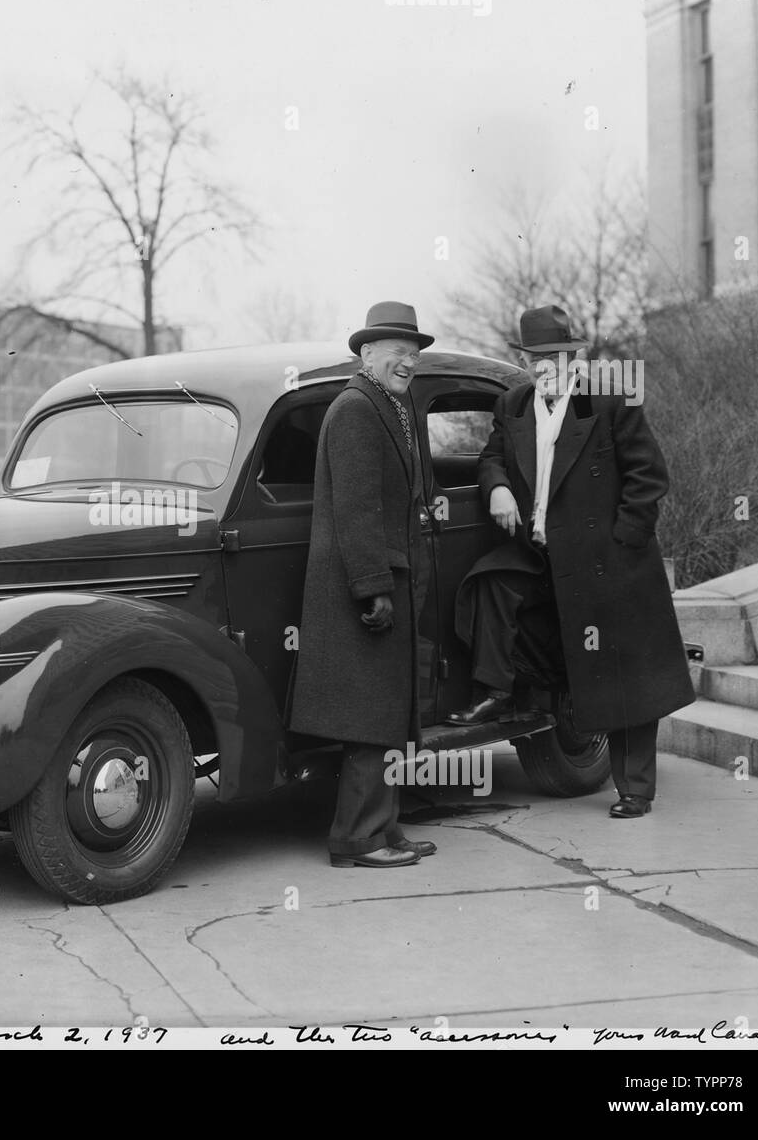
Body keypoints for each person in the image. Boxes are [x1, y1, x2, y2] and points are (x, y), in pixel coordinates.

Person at [448, 305, 695, 818]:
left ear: (573, 358)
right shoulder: (513, 405)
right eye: (534, 360)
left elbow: (648, 477)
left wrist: (623, 541)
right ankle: (495, 689)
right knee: (492, 583)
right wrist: (496, 488)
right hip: (542, 555)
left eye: (553, 358)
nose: (544, 369)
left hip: (605, 560)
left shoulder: (609, 402)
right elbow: (491, 456)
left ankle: (634, 789)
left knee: (623, 675)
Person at [289, 301, 436, 867]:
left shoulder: (384, 405)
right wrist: (372, 587)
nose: (408, 363)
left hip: (375, 580)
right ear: (367, 353)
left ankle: (384, 827)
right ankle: (358, 839)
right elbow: (356, 509)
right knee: (368, 720)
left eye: (414, 354)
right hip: (361, 587)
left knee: (384, 714)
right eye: (397, 352)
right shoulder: (356, 409)